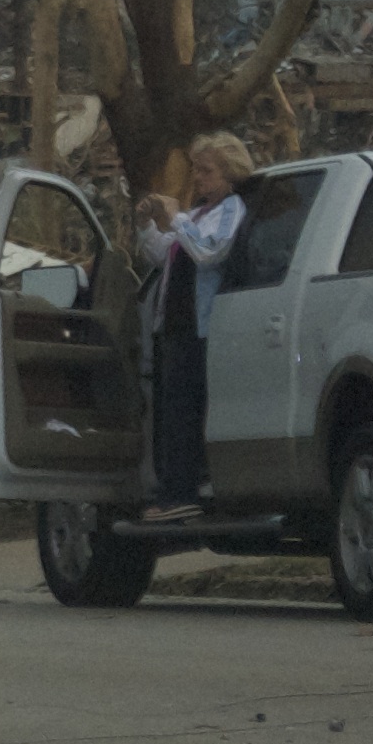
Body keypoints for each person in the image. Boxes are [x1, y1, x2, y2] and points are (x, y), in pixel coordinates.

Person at [133, 131, 254, 523]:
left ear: (229, 173)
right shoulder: (199, 213)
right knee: (169, 412)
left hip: (199, 329)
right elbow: (165, 255)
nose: (198, 178)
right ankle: (171, 490)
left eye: (207, 171)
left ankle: (185, 490)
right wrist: (149, 226)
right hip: (174, 325)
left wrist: (177, 218)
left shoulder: (231, 209)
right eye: (196, 169)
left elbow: (208, 252)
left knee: (187, 411)